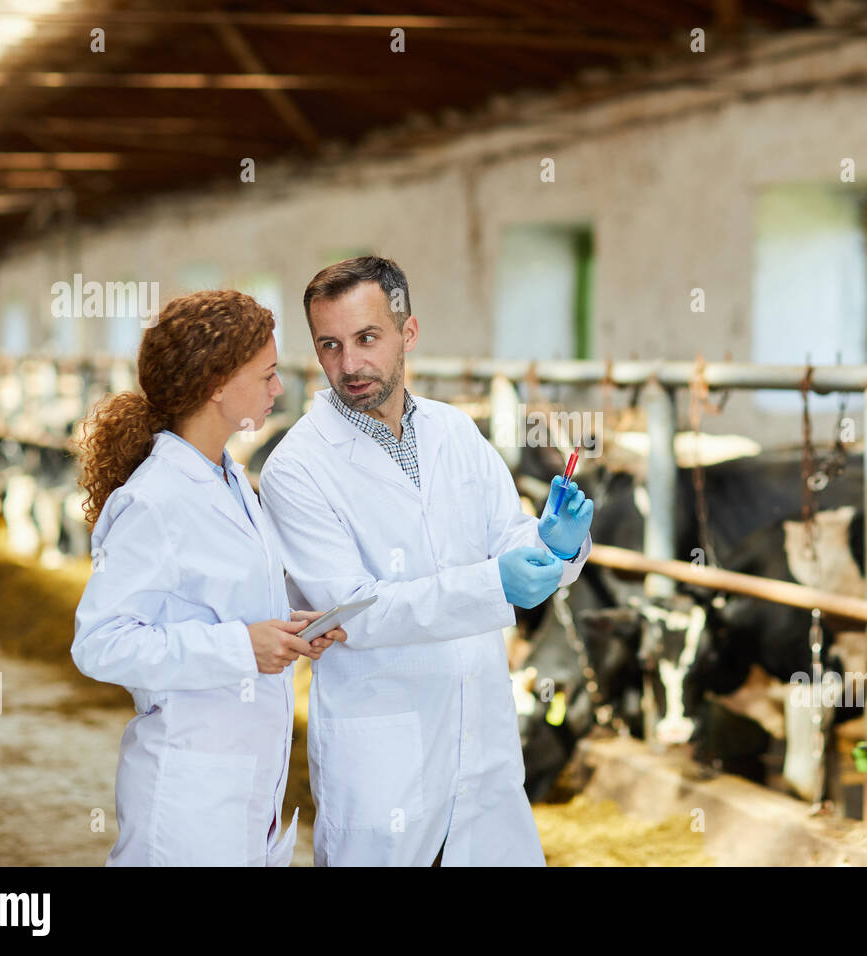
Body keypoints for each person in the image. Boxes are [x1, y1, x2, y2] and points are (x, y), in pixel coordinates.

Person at [260, 256, 595, 866]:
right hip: (386, 763)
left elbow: (511, 542)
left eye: (367, 338)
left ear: (407, 333)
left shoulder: (455, 433)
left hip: (484, 751)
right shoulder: (296, 467)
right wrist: (494, 583)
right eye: (329, 345)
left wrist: (556, 546)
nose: (349, 364)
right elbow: (354, 612)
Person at [72, 289, 344, 866]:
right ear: (218, 383)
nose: (278, 389)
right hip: (187, 796)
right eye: (267, 374)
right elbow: (99, 643)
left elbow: (231, 602)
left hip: (248, 785)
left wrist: (293, 628)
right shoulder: (154, 500)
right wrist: (241, 646)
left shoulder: (232, 480)